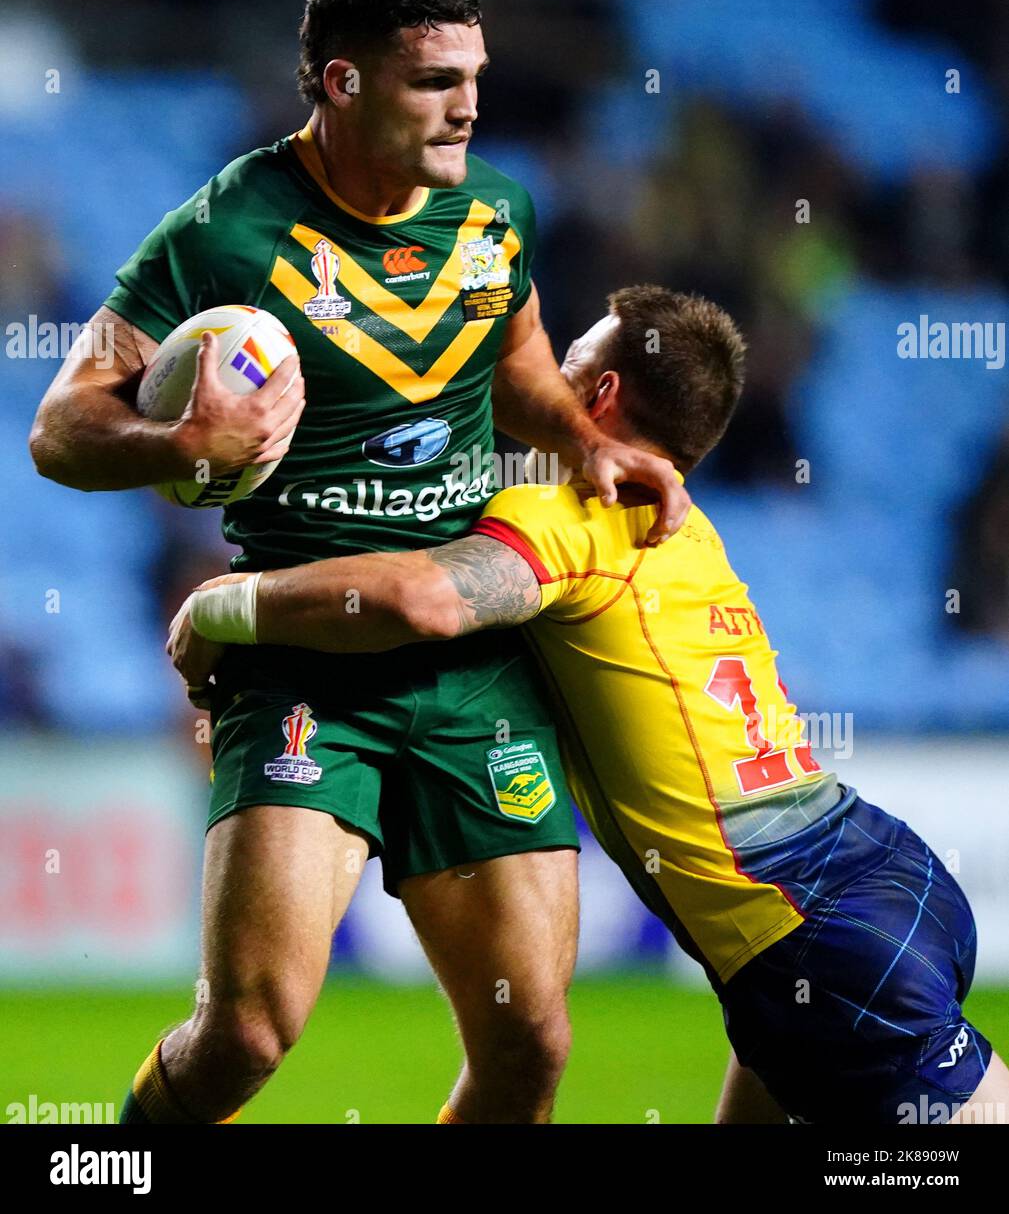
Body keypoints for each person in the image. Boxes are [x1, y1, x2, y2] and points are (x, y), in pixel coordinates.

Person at [28, 0, 688, 1126]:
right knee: (246, 1030)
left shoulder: (497, 212)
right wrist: (180, 446)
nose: (469, 104)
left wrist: (589, 443)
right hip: (301, 657)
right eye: (435, 79)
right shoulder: (227, 231)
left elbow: (524, 365)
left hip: (472, 661)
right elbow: (61, 425)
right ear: (341, 83)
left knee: (530, 1038)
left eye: (474, 75)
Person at [172, 285, 1009, 1125]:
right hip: (886, 879)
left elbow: (422, 602)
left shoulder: (575, 513)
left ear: (599, 395)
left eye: (560, 368)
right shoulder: (688, 527)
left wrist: (225, 603)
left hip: (814, 938)